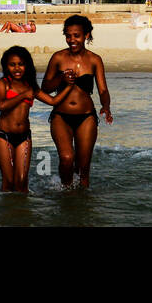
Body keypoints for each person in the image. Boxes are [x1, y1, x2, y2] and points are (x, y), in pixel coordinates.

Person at [41, 15, 113, 189]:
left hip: (86, 117)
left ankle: (83, 207)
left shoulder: (95, 60)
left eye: (76, 35)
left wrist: (106, 106)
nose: (72, 40)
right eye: (68, 36)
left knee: (83, 167)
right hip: (60, 116)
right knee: (66, 158)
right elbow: (45, 88)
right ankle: (66, 196)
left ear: (86, 35)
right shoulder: (58, 58)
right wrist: (61, 77)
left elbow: (103, 89)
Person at [0, 46, 78, 193]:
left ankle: (23, 213)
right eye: (12, 65)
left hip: (24, 137)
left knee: (21, 182)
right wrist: (23, 95)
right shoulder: (3, 84)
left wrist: (68, 86)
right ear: (6, 67)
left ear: (27, 65)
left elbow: (53, 101)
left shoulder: (30, 86)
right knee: (8, 181)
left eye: (21, 64)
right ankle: (6, 214)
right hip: (3, 136)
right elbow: (2, 106)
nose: (17, 68)